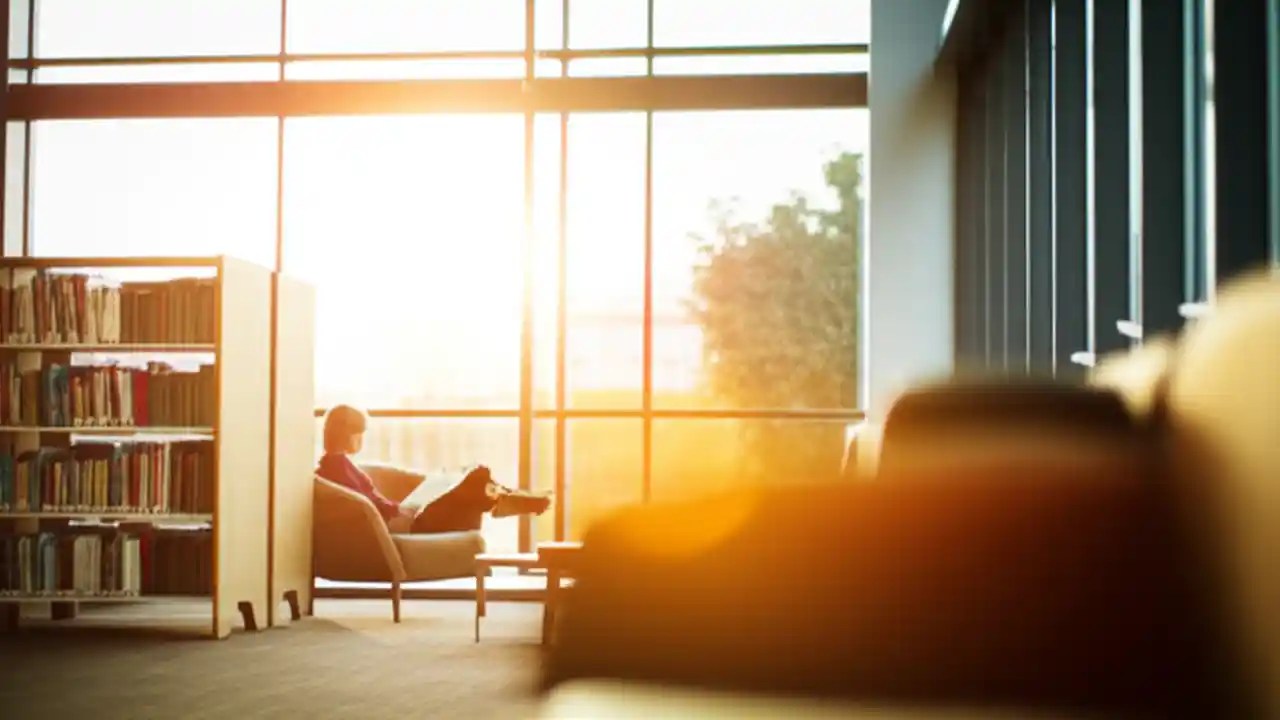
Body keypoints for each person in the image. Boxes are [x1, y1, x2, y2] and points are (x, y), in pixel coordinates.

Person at [316, 404, 550, 534]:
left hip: (399, 518)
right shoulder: (337, 468)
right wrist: (398, 511)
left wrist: (400, 508)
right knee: (476, 476)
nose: (361, 440)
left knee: (471, 477)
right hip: (402, 524)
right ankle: (513, 500)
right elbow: (366, 506)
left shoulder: (336, 465)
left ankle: (509, 499)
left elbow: (368, 502)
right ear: (347, 434)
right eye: (359, 434)